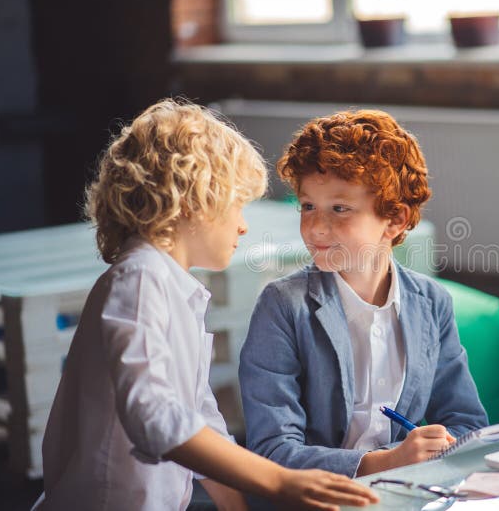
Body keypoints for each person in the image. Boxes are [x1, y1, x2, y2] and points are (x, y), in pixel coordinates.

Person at [35, 100, 378, 511]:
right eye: (237, 205)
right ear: (194, 200)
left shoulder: (175, 287)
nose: (243, 225)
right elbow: (155, 415)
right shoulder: (140, 279)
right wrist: (278, 481)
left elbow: (201, 416)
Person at [239, 109, 488, 478]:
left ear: (396, 219)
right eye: (308, 206)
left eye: (340, 209)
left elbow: (466, 423)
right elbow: (272, 450)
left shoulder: (432, 303)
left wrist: (432, 449)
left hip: (409, 491)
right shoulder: (282, 306)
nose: (315, 227)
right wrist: (383, 462)